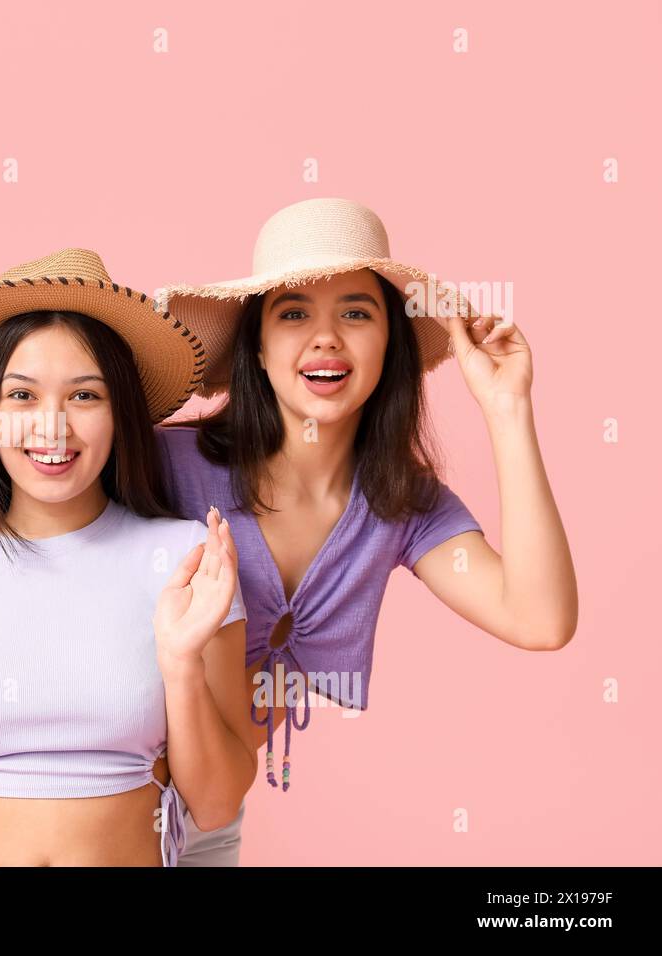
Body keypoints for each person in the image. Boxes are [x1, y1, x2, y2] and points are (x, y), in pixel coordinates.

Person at [151, 197, 578, 865]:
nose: (326, 338)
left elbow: (539, 619)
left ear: (390, 344)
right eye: (294, 314)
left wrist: (507, 409)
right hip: (99, 814)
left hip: (213, 829)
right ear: (257, 348)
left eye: (356, 313)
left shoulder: (400, 504)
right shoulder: (164, 467)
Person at [0, 249, 258, 866]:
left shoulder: (185, 563)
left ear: (119, 413)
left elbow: (212, 805)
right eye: (21, 395)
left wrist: (181, 664)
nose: (52, 427)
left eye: (84, 396)